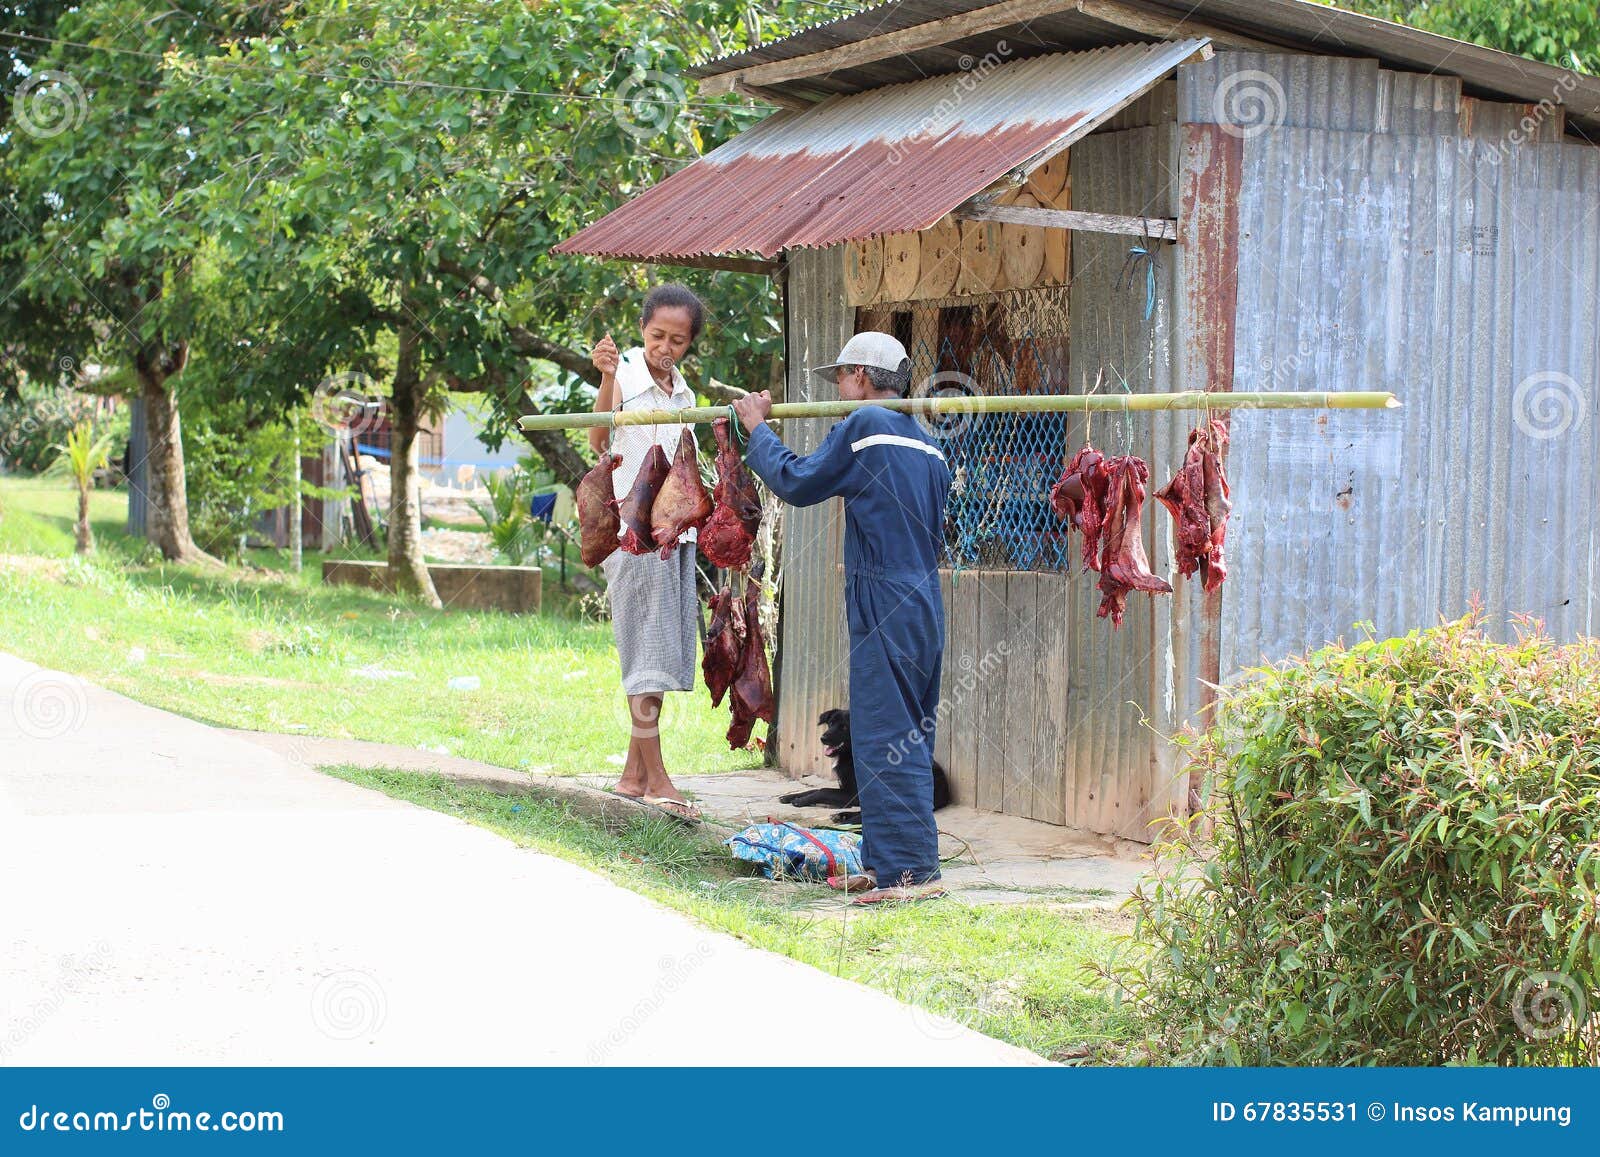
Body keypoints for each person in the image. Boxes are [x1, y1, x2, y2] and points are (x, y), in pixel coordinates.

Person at [733, 332, 951, 905]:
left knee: (883, 737)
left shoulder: (864, 427)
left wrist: (758, 429)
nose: (840, 390)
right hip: (925, 600)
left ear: (859, 375)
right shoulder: (930, 447)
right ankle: (892, 862)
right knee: (909, 733)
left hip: (885, 596)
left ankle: (909, 876)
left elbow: (797, 481)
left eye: (841, 379)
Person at [588, 284, 707, 821]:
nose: (666, 347)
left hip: (674, 537)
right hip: (633, 537)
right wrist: (607, 376)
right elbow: (596, 439)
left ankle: (633, 777)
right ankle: (656, 775)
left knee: (660, 653)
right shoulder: (627, 376)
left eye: (677, 340)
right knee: (645, 653)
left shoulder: (683, 393)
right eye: (657, 335)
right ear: (642, 331)